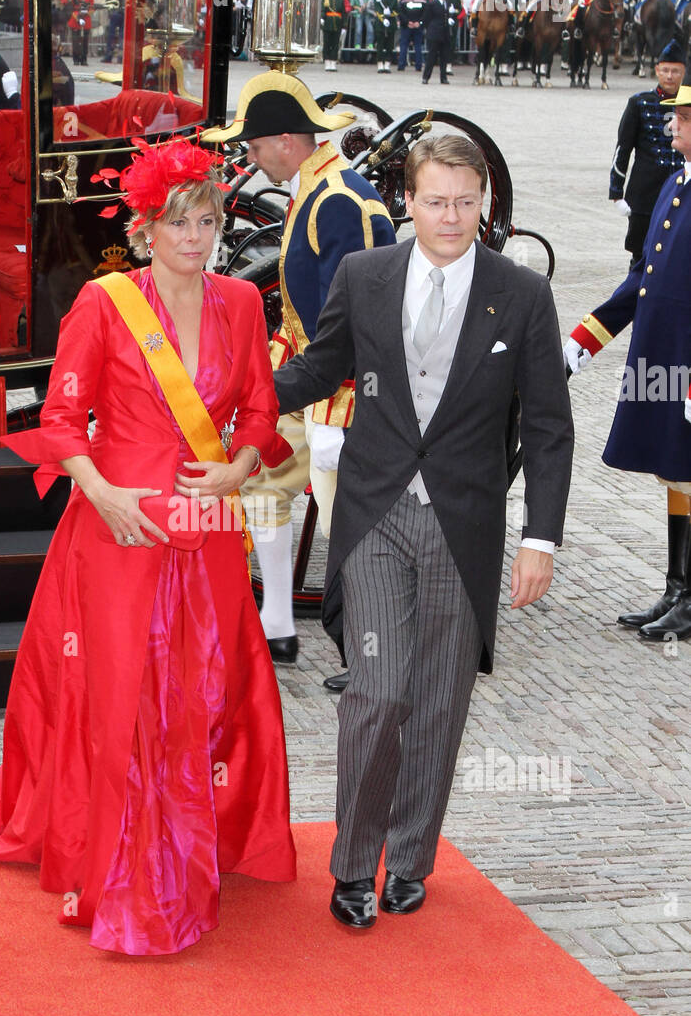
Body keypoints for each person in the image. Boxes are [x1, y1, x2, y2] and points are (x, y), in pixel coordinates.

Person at [0, 138, 297, 955]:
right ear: (145, 228)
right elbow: (61, 421)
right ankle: (117, 850)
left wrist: (239, 469)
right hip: (119, 525)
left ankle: (198, 828)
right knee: (122, 688)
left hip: (207, 521)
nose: (193, 236)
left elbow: (257, 409)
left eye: (207, 220)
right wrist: (101, 493)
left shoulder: (242, 305)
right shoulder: (105, 303)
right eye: (177, 222)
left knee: (209, 680)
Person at [272, 134, 574, 927]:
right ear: (408, 200)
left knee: (438, 699)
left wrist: (541, 538)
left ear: (486, 203)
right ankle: (349, 865)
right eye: (436, 201)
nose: (451, 217)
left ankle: (409, 859)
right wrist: (231, 394)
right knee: (378, 690)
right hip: (374, 512)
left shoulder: (522, 294)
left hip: (463, 524)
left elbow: (547, 427)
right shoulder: (364, 276)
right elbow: (317, 368)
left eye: (467, 203)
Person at [203, 73, 395, 691]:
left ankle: (378, 653)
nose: (252, 161)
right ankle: (279, 620)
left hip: (341, 388)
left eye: (255, 147)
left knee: (353, 525)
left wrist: (334, 390)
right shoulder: (318, 191)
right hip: (312, 376)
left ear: (287, 140)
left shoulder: (338, 199)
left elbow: (362, 317)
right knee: (263, 480)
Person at [565, 83, 691, 640]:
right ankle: (678, 587)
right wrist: (583, 340)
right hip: (662, 352)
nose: (671, 130)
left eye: (681, 121)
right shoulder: (675, 183)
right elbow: (642, 277)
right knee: (677, 467)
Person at [609, 39, 686, 267]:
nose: (670, 76)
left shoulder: (688, 105)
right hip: (645, 194)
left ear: (683, 72)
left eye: (675, 71)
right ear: (657, 71)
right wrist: (616, 192)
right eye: (665, 70)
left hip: (681, 191)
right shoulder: (639, 103)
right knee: (640, 256)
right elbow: (623, 148)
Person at [421, 0, 451, 84]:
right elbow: (426, 19)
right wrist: (429, 30)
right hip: (434, 33)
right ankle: (426, 77)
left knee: (444, 56)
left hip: (444, 33)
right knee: (432, 56)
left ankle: (443, 77)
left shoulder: (446, 3)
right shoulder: (432, 4)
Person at [322, 0, 346, 71]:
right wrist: (322, 18)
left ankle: (333, 61)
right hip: (328, 23)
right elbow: (323, 10)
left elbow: (343, 12)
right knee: (327, 43)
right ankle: (327, 61)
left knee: (335, 43)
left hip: (337, 23)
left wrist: (344, 25)